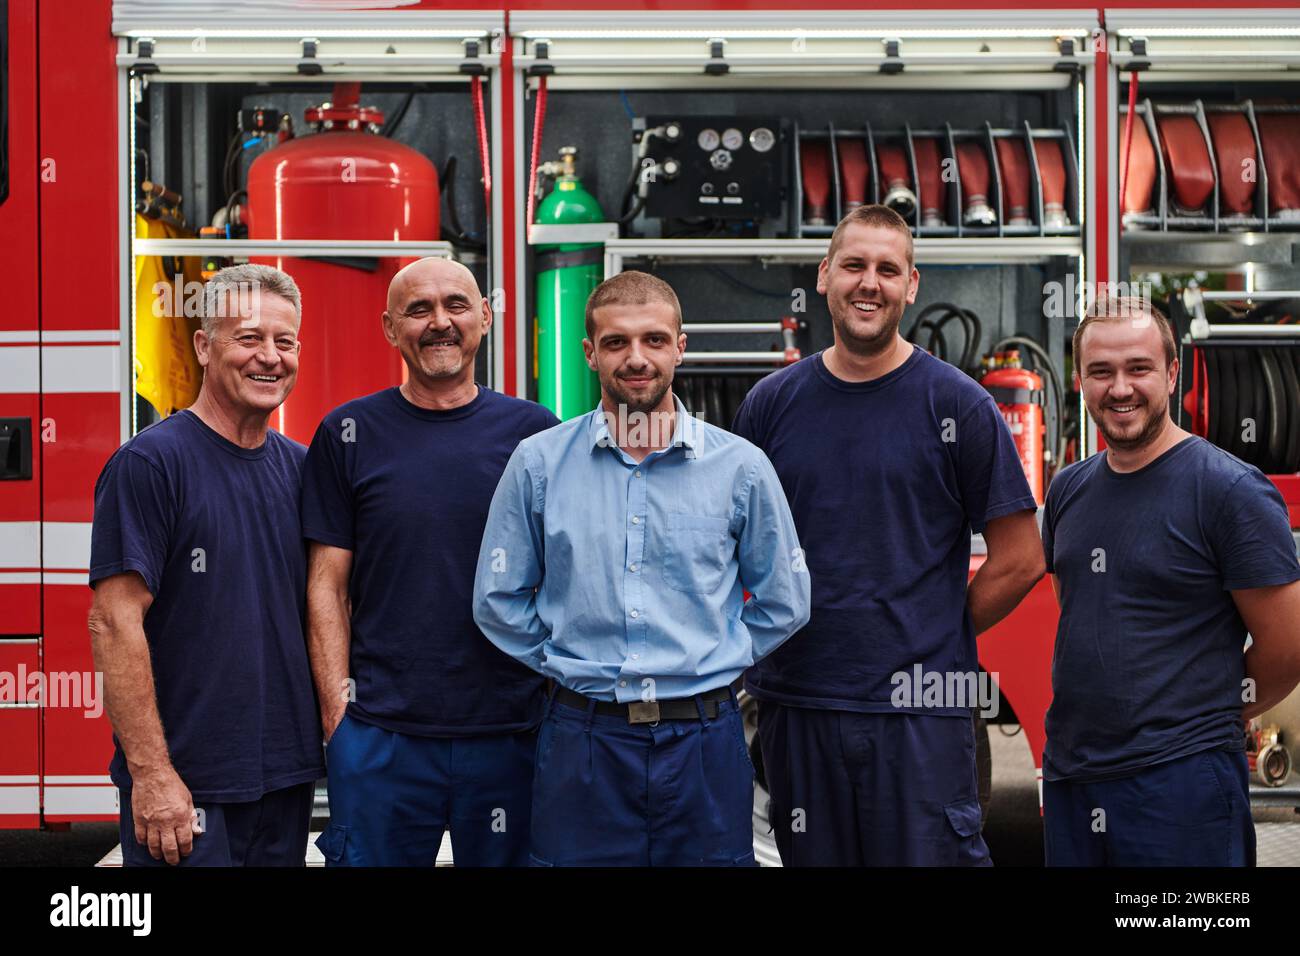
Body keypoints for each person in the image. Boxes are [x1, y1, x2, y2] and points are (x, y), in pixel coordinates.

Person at [732, 204, 1045, 866]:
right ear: (824, 275)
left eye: (887, 269)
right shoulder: (771, 405)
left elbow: (1021, 558)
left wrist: (935, 630)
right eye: (854, 265)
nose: (869, 283)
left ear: (912, 285)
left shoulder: (958, 405)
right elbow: (735, 546)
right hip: (800, 703)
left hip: (920, 714)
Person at [473, 270, 810, 866]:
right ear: (590, 353)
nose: (636, 358)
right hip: (582, 742)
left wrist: (714, 656)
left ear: (680, 347)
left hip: (704, 744)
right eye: (616, 342)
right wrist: (566, 660)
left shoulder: (741, 469)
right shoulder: (538, 464)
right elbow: (497, 598)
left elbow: (786, 599)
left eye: (654, 339)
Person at [304, 258, 558, 867]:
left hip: (512, 733)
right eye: (418, 310)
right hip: (381, 735)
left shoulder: (536, 434)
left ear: (485, 317)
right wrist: (340, 718)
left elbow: (564, 581)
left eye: (456, 305)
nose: (439, 322)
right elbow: (326, 587)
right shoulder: (347, 433)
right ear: (390, 328)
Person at [1041, 296, 1300, 866]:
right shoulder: (1068, 490)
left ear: (1172, 373)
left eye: (1139, 368)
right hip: (1072, 778)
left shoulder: (1230, 492)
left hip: (1182, 784)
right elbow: (1081, 609)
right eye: (1101, 371)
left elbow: (1287, 648)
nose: (1120, 388)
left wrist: (1206, 715)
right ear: (1080, 380)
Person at [88, 264, 322, 866]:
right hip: (186, 792)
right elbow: (113, 623)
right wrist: (152, 774)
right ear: (202, 346)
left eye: (285, 341)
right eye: (248, 337)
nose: (269, 356)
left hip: (286, 782)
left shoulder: (304, 470)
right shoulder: (150, 465)